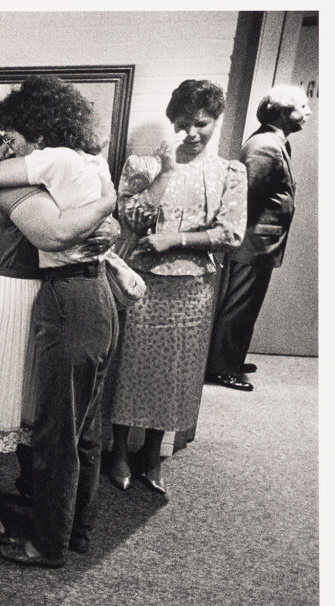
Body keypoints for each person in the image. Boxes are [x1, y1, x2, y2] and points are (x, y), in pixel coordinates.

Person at [0, 75, 116, 553]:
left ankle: (38, 496)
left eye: (12, 132)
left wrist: (107, 225)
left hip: (37, 299)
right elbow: (53, 235)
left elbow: (88, 224)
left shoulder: (52, 173)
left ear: (38, 132)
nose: (3, 141)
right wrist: (106, 211)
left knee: (29, 409)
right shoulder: (17, 185)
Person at [103, 79, 247, 496]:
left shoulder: (229, 173)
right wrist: (163, 175)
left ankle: (151, 453)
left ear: (216, 121)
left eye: (201, 123)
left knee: (174, 373)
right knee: (129, 366)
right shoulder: (142, 166)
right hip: (141, 284)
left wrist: (176, 239)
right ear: (172, 122)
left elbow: (231, 233)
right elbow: (129, 218)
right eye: (183, 123)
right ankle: (118, 451)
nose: (192, 132)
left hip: (193, 289)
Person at [206, 85, 311, 391]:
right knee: (239, 306)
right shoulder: (265, 145)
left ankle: (233, 358)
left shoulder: (275, 141)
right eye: (302, 107)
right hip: (252, 242)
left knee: (247, 307)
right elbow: (245, 198)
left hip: (262, 242)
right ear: (281, 112)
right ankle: (221, 367)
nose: (308, 112)